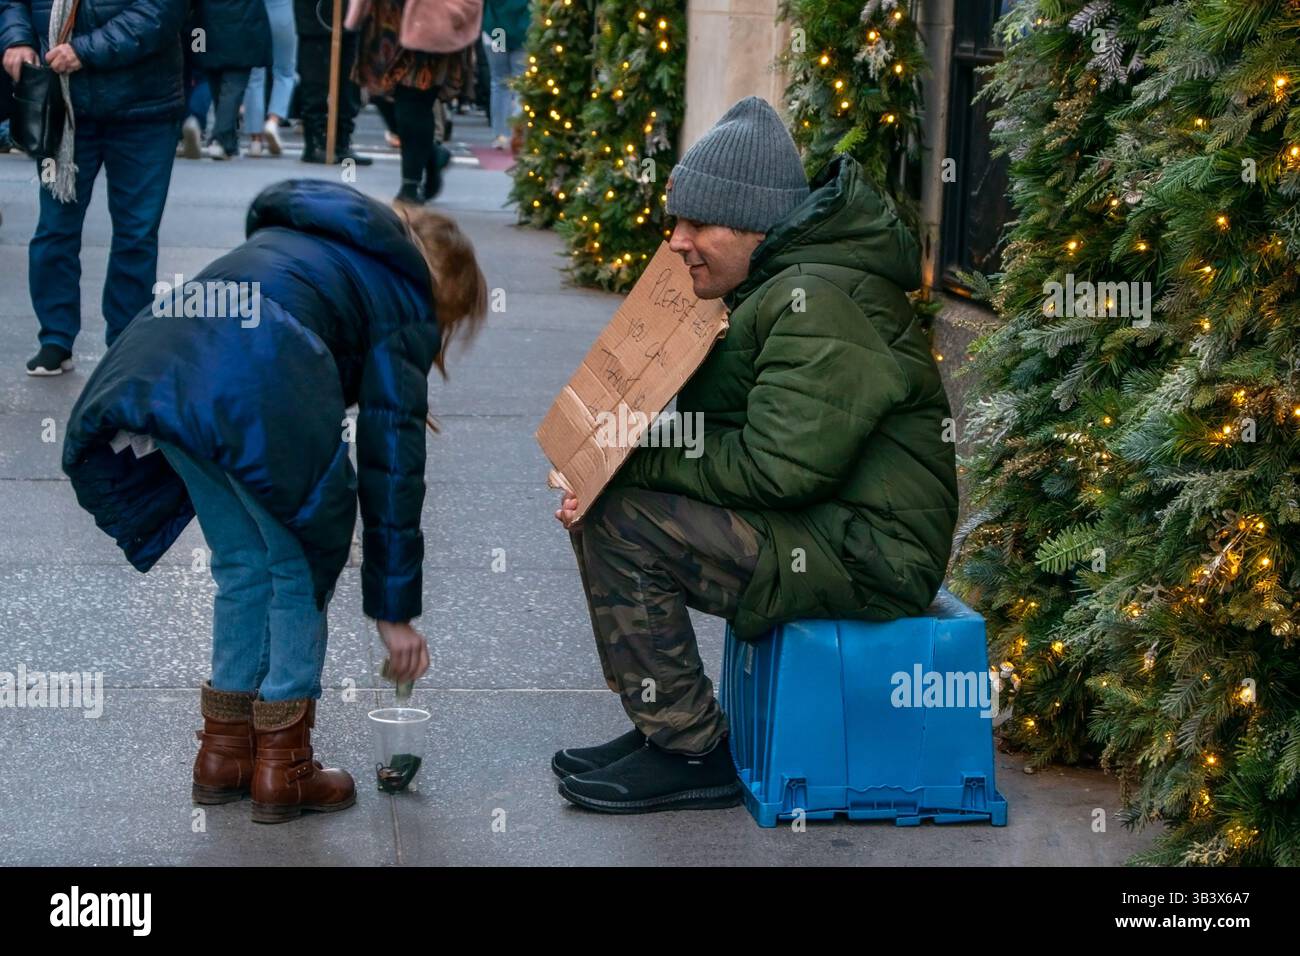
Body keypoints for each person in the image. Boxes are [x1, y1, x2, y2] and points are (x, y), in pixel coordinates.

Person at [552, 97, 959, 814]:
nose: (677, 241)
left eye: (698, 224)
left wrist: (633, 458)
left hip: (871, 550)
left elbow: (779, 468)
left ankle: (690, 750)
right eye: (675, 221)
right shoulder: (771, 285)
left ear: (756, 226)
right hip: (831, 524)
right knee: (613, 504)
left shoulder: (817, 298)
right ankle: (664, 724)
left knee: (626, 519)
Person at [61, 180, 488, 823]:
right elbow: (392, 463)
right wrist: (394, 613)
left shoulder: (301, 235)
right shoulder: (403, 291)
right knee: (297, 566)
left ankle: (224, 752)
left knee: (239, 563)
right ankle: (284, 766)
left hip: (158, 371)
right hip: (253, 385)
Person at [0, 0, 186, 375]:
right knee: (55, 228)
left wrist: (85, 50)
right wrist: (17, 38)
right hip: (64, 106)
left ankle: (124, 343)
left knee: (136, 233)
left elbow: (160, 12)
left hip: (144, 108)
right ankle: (55, 338)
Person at [350, 0, 481, 204]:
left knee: (414, 99)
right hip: (386, 15)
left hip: (431, 15)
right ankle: (429, 154)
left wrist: (457, 11)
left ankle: (410, 185)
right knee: (379, 91)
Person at [192, 0, 271, 159]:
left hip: (206, 21)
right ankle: (220, 139)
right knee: (233, 87)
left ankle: (228, 141)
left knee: (216, 81)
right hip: (245, 22)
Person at [294, 0, 369, 165]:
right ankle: (315, 141)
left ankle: (342, 140)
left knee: (349, 84)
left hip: (349, 14)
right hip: (316, 16)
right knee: (316, 82)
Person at [242, 0, 296, 157]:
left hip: (253, 11)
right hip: (282, 10)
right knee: (285, 72)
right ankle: (273, 121)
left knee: (254, 75)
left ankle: (255, 140)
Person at [481, 0, 528, 151]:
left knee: (499, 82)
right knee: (521, 81)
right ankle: (518, 132)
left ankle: (500, 135)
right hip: (523, 29)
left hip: (497, 31)